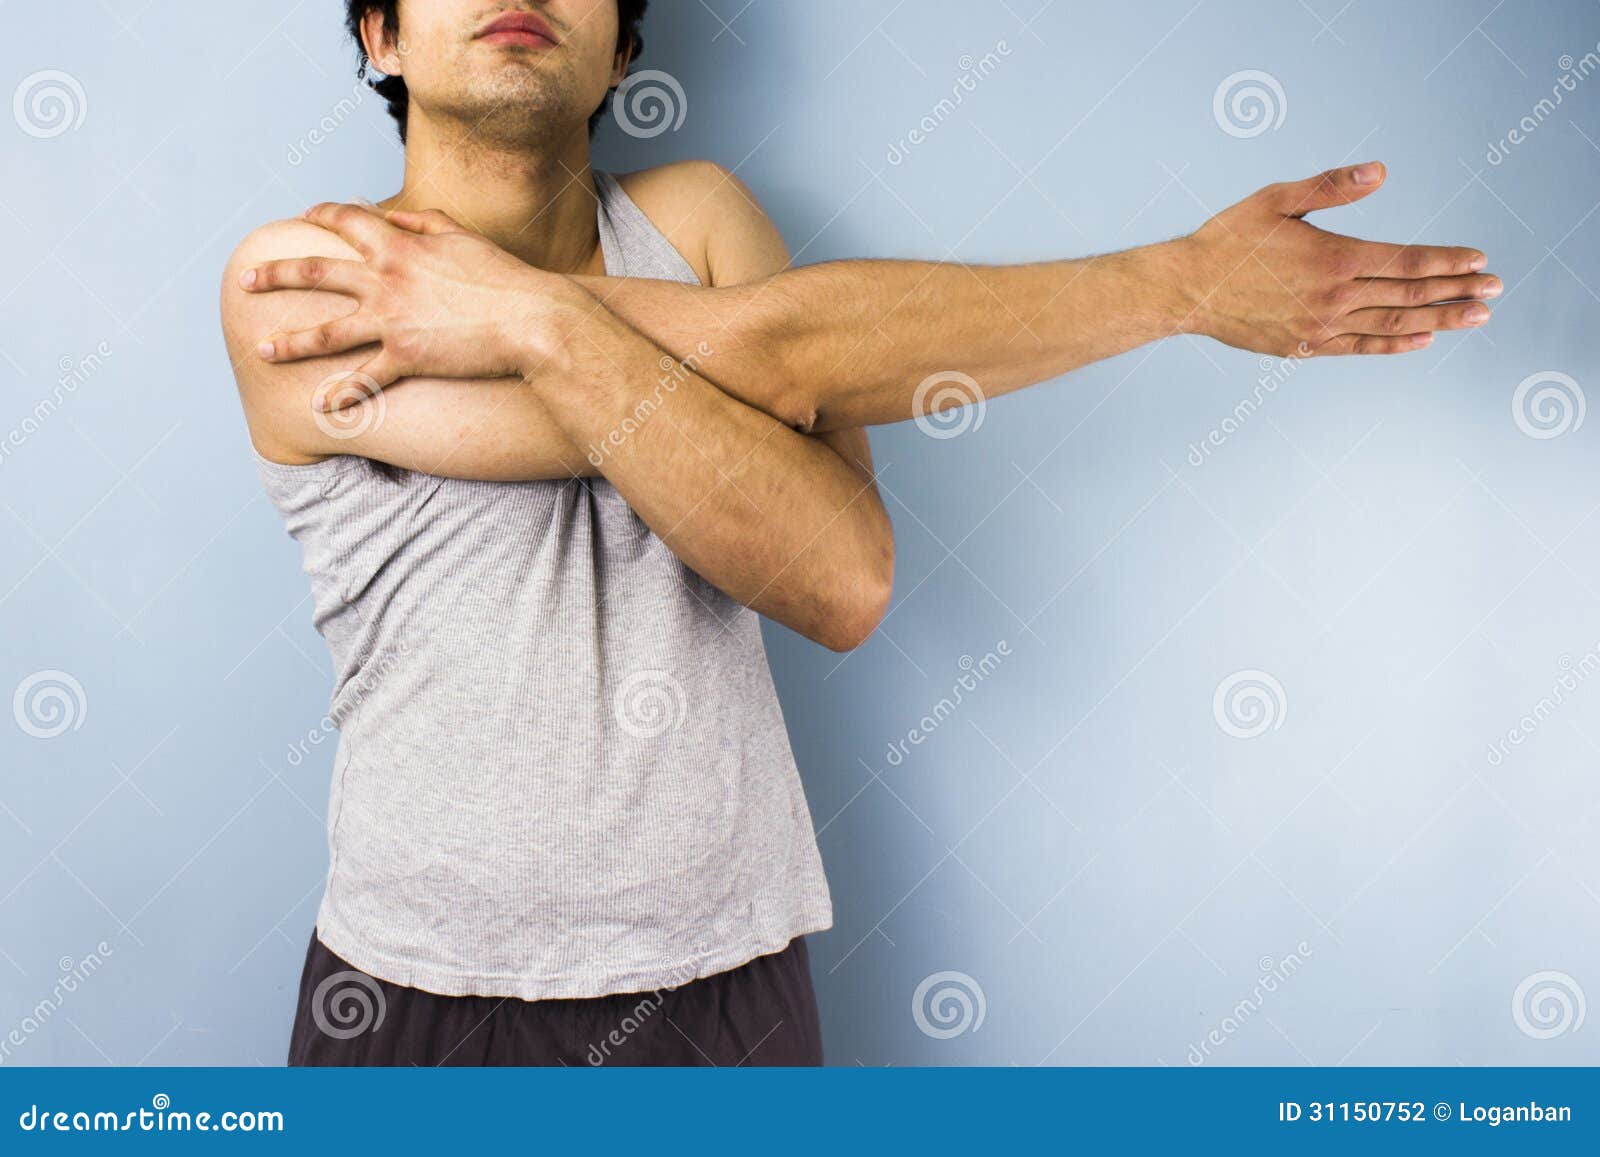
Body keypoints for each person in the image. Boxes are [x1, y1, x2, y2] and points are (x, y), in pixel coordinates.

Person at [219, 0, 1497, 1066]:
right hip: (412, 989)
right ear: (380, 35)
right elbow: (783, 347)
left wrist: (520, 315)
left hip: (721, 982)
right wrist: (1181, 285)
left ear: (619, 54)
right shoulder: (309, 278)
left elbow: (840, 579)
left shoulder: (698, 215)